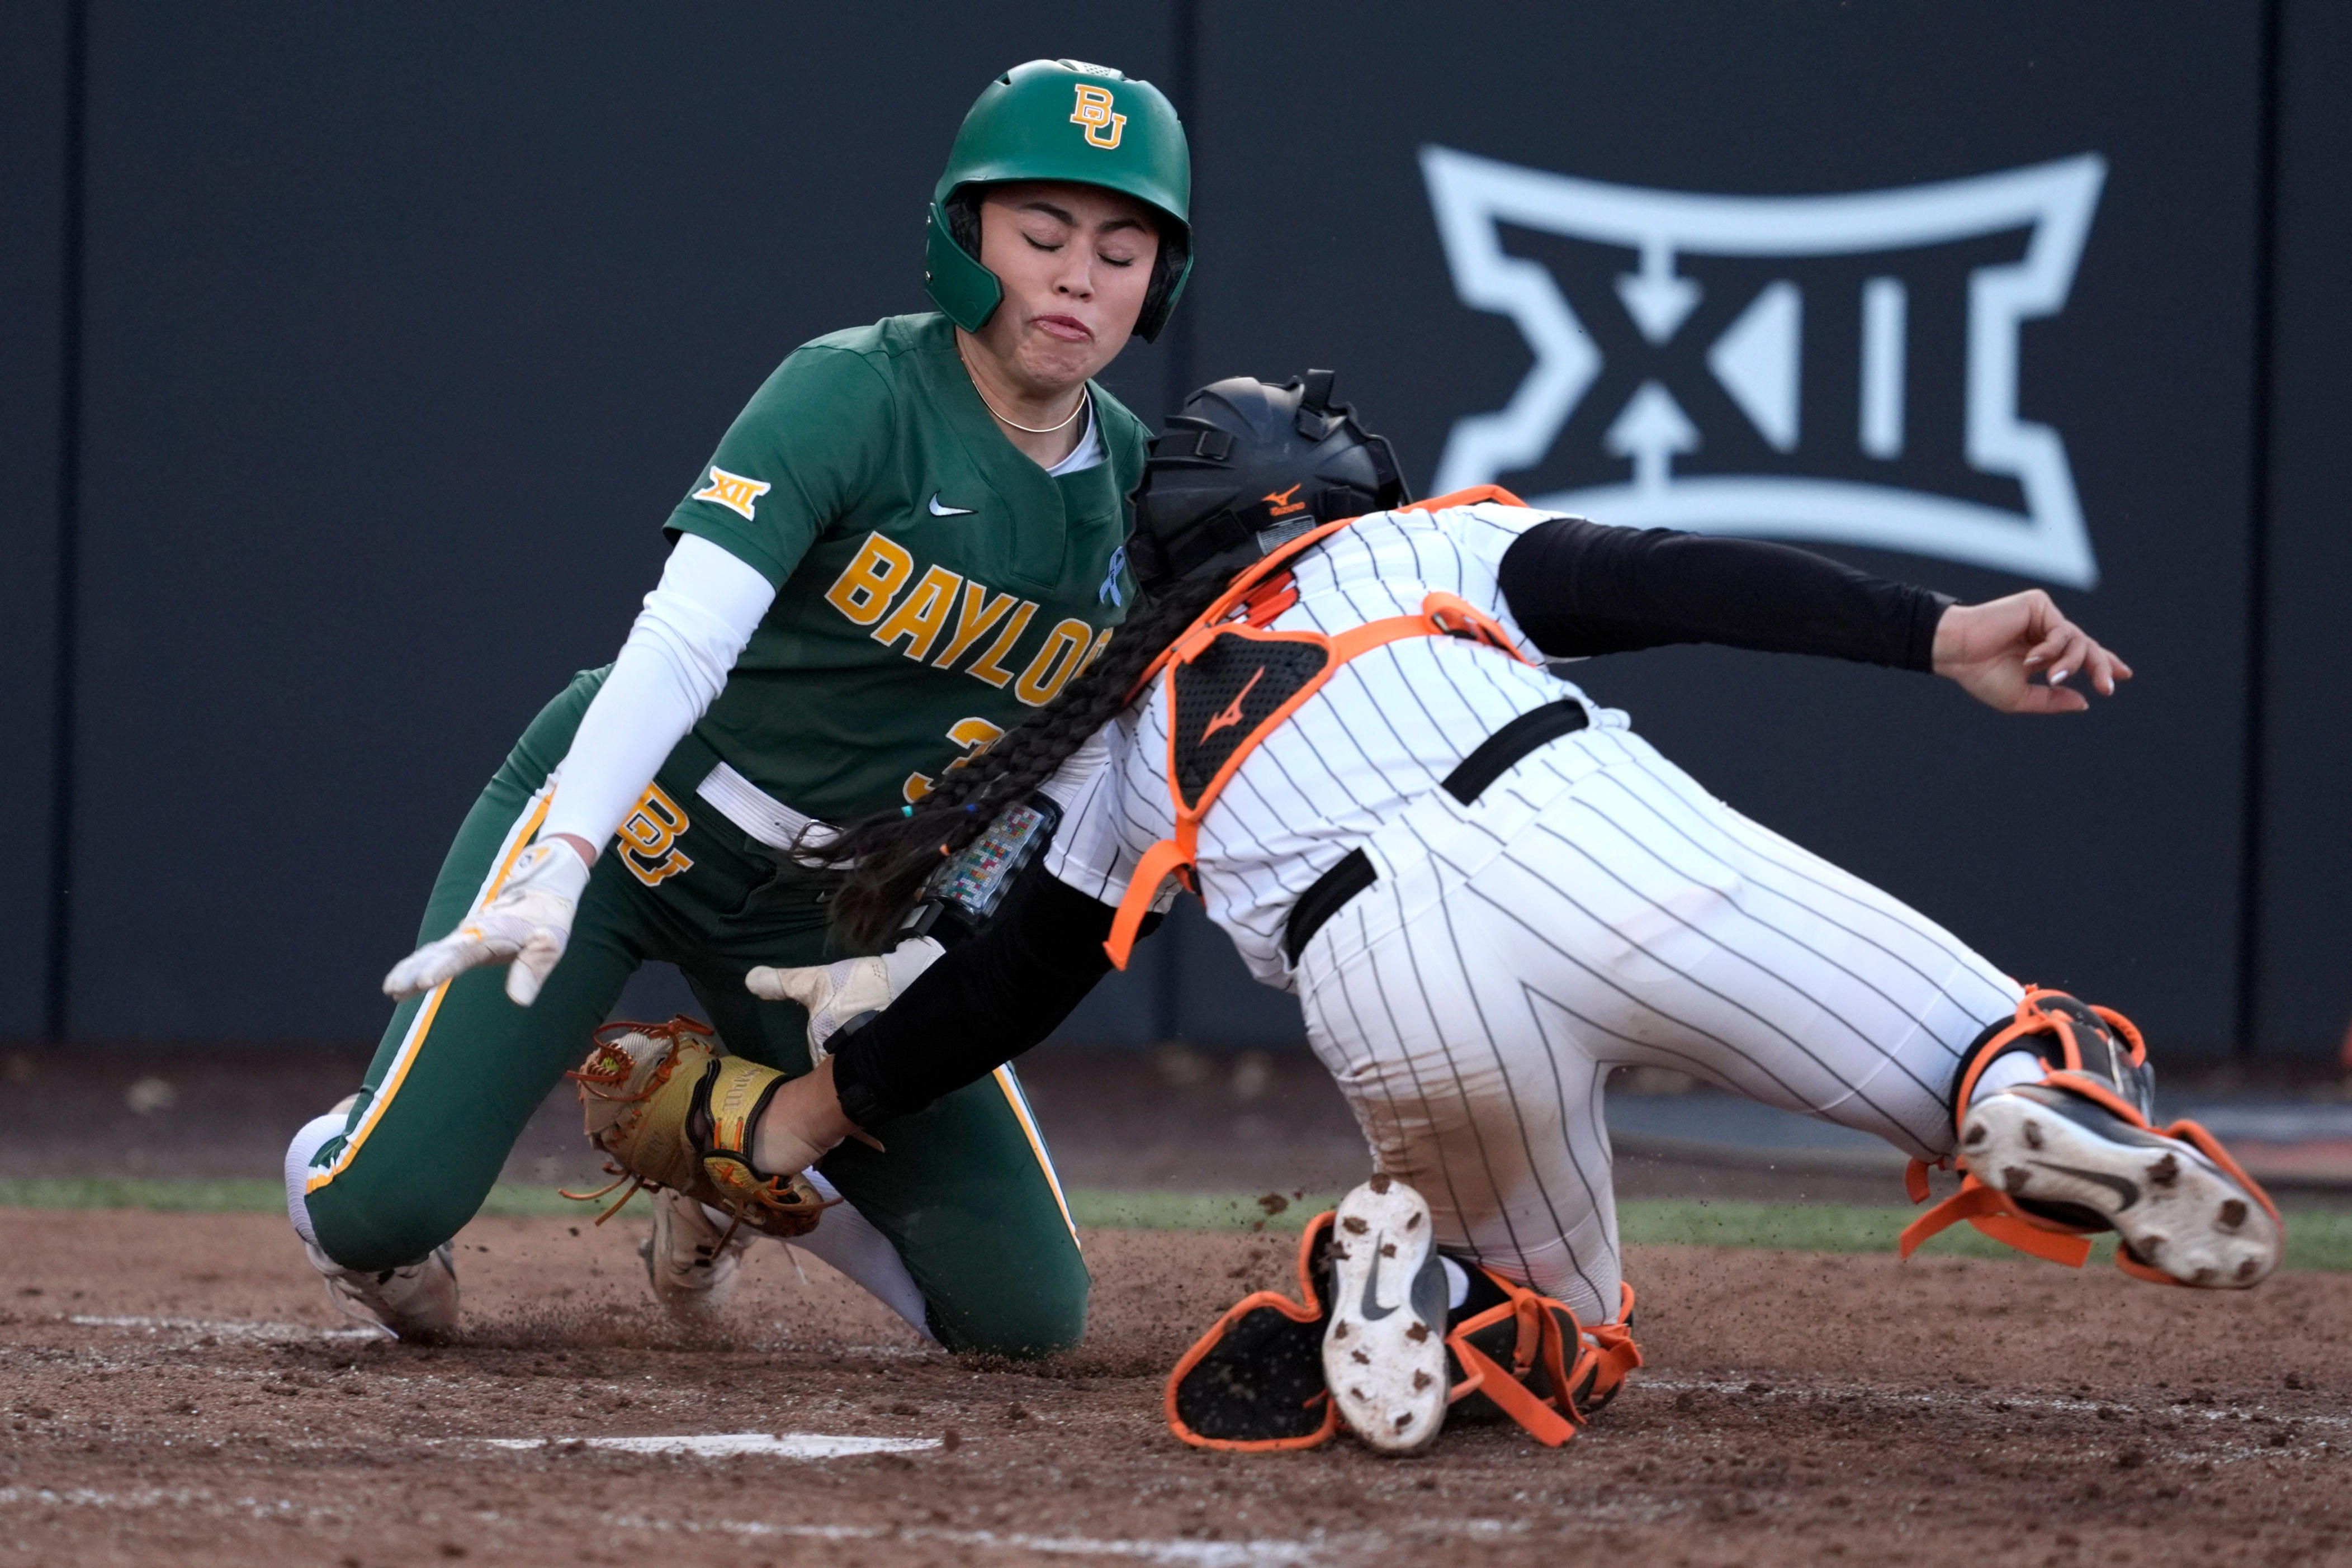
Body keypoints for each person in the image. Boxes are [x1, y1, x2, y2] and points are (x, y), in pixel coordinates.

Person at [565, 371, 2283, 1455]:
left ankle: (1433, 1296)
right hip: (1593, 833)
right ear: (1309, 481)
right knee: (1989, 1047)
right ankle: (2020, 1101)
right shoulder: (1419, 551)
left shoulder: (1127, 736)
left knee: (1568, 1331)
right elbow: (1657, 578)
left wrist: (807, 1109)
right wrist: (1932, 629)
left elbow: (1013, 985)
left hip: (1387, 979)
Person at [279, 58, 1194, 1355]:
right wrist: (566, 848)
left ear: (1162, 279)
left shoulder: (1145, 496)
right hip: (642, 822)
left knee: (1024, 1316)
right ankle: (354, 1167)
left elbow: (1094, 794)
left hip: (841, 912)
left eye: (1120, 247)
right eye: (1042, 234)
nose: (1077, 275)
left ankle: (728, 1178)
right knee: (384, 1202)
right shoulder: (853, 391)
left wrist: (932, 965)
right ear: (963, 235)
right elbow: (682, 642)